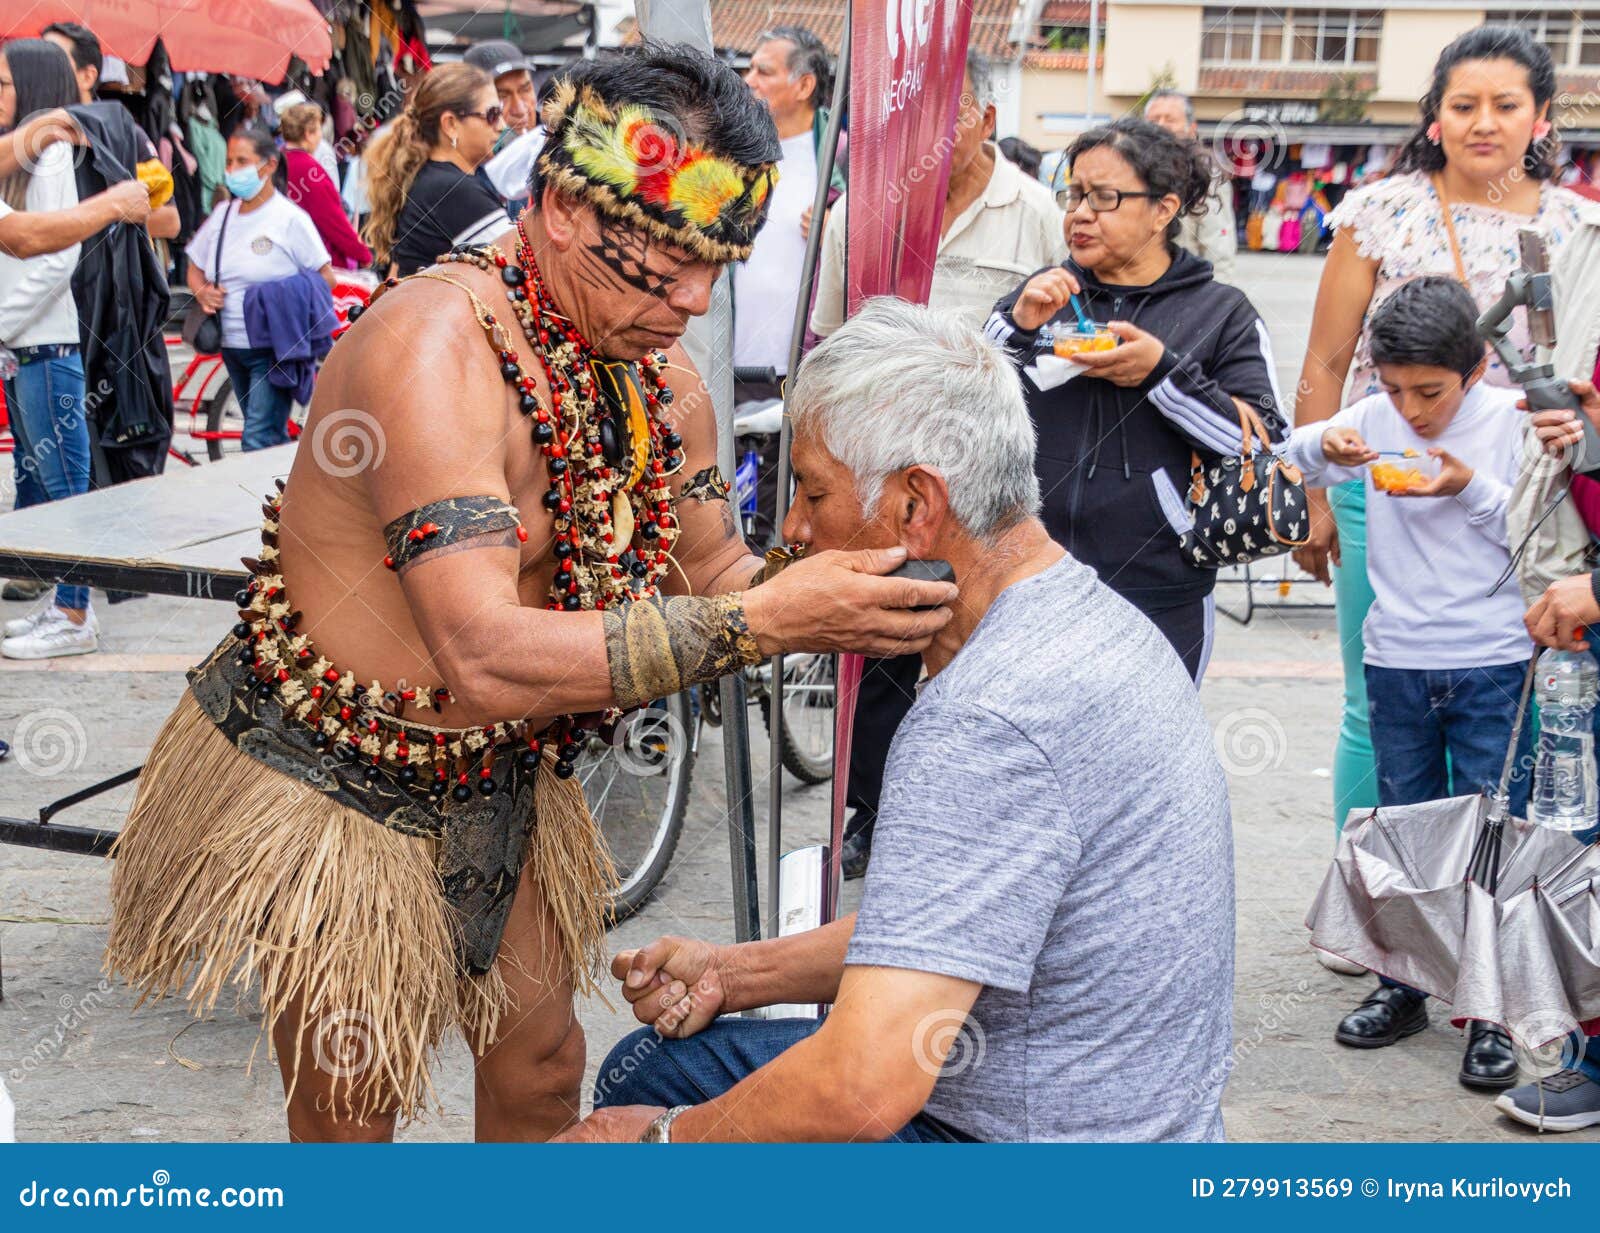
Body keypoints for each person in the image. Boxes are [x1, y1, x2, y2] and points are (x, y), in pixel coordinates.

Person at [103, 43, 954, 1144]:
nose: (690, 301)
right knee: (353, 1102)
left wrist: (879, 579)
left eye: (715, 265)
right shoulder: (431, 349)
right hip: (343, 776)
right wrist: (762, 619)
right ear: (558, 208)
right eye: (656, 264)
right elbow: (485, 651)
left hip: (505, 765)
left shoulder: (662, 382)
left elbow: (719, 580)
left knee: (548, 1068)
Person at [563, 299, 1234, 1144]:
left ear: (918, 503)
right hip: (1139, 1124)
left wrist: (659, 1145)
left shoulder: (985, 716)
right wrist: (735, 974)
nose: (795, 530)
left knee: (648, 1092)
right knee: (656, 1062)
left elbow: (862, 1088)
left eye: (811, 492)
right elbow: (950, 920)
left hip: (1038, 1143)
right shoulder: (1089, 614)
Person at [1292, 24, 1586, 969]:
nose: (1484, 123)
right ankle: (1377, 916)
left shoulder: (1581, 230)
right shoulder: (1380, 212)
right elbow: (1329, 361)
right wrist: (1318, 499)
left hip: (1532, 496)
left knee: (1517, 705)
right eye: (1464, 104)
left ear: (1541, 118)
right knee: (1374, 702)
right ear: (1435, 114)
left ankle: (1496, 922)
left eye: (1507, 105)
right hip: (1388, 482)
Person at [812, 50, 1065, 879]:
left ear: (986, 120)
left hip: (984, 463)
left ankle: (980, 806)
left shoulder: (1033, 211)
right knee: (883, 633)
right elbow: (826, 337)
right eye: (908, 116)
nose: (919, 135)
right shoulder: (866, 206)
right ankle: (876, 808)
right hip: (881, 462)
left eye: (944, 116)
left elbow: (1064, 333)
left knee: (979, 630)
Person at [1284, 276, 1530, 1089]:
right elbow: (1293, 449)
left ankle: (1490, 1013)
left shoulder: (1510, 423)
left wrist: (1468, 487)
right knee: (1404, 830)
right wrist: (1333, 450)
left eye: (1430, 392)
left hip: (1493, 658)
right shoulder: (1375, 416)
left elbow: (1534, 524)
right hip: (1396, 658)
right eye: (1393, 390)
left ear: (1477, 368)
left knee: (1493, 834)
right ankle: (1404, 985)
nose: (1412, 410)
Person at [988, 117, 1284, 680]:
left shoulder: (1221, 312)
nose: (1080, 214)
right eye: (1072, 194)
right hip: (1031, 572)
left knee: (1152, 756)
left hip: (1159, 583)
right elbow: (969, 400)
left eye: (1104, 198)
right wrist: (1018, 327)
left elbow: (1262, 442)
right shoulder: (1046, 293)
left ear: (1164, 210)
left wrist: (1161, 375)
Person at [0, 40, 99, 658]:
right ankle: (61, 603)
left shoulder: (51, 153)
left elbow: (57, 257)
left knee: (66, 486)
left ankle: (75, 614)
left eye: (6, 84)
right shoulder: (22, 157)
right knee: (44, 478)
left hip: (44, 342)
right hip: (25, 343)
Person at [184, 128, 334, 451]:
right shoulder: (223, 215)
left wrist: (279, 298)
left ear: (268, 166)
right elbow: (194, 266)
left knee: (258, 436)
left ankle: (271, 499)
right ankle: (287, 495)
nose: (232, 170)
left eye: (242, 161)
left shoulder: (289, 218)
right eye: (229, 162)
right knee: (266, 436)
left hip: (273, 347)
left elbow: (325, 277)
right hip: (232, 344)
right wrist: (201, 291)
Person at [40, 21, 180, 243]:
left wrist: (91, 219)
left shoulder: (122, 135)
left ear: (87, 76)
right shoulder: (30, 135)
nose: (42, 72)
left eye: (53, 62)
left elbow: (170, 220)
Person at [362, 63, 506, 277]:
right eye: (492, 114)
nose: (502, 125)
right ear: (450, 124)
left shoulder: (429, 179)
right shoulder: (453, 191)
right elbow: (523, 265)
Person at [1141, 88, 1237, 283]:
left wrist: (1215, 302)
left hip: (1184, 286)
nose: (1160, 125)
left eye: (1170, 119)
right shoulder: (1131, 171)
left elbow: (1218, 248)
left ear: (1191, 128)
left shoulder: (1206, 177)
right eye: (1154, 120)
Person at [281, 102, 371, 271]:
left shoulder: (275, 161)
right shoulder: (310, 170)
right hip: (312, 262)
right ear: (308, 133)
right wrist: (362, 254)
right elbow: (333, 221)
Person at [465, 40, 544, 212]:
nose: (520, 109)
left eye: (525, 89)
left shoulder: (555, 150)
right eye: (502, 96)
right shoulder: (461, 170)